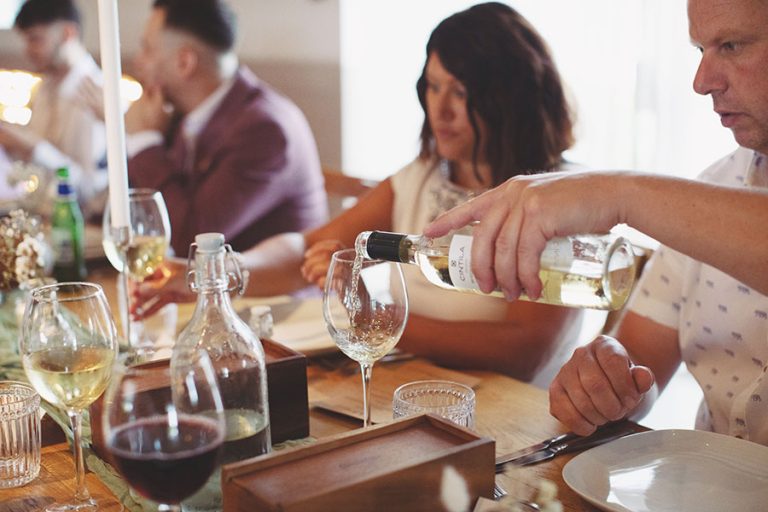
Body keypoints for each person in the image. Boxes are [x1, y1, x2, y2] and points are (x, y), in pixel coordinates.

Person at [135, 2, 585, 383]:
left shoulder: (554, 201)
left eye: (461, 92)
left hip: (507, 410)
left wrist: (382, 319)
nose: (440, 109)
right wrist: (220, 272)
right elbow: (306, 248)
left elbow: (527, 351)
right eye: (433, 86)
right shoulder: (422, 176)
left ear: (509, 100)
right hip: (409, 383)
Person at [426, 0, 768, 443]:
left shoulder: (682, 204)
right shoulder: (710, 189)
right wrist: (603, 384)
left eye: (732, 45)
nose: (701, 82)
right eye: (701, 50)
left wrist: (618, 192)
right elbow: (639, 368)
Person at [125, 0, 328, 255]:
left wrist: (144, 140)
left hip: (265, 281)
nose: (138, 62)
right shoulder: (182, 113)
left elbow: (192, 238)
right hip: (205, 277)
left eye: (147, 49)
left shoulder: (264, 130)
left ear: (184, 62)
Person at [0, 0, 107, 217]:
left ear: (67, 33)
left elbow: (91, 191)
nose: (28, 50)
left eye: (36, 39)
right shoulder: (45, 87)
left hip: (84, 223)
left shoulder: (95, 93)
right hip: (43, 216)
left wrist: (34, 148)